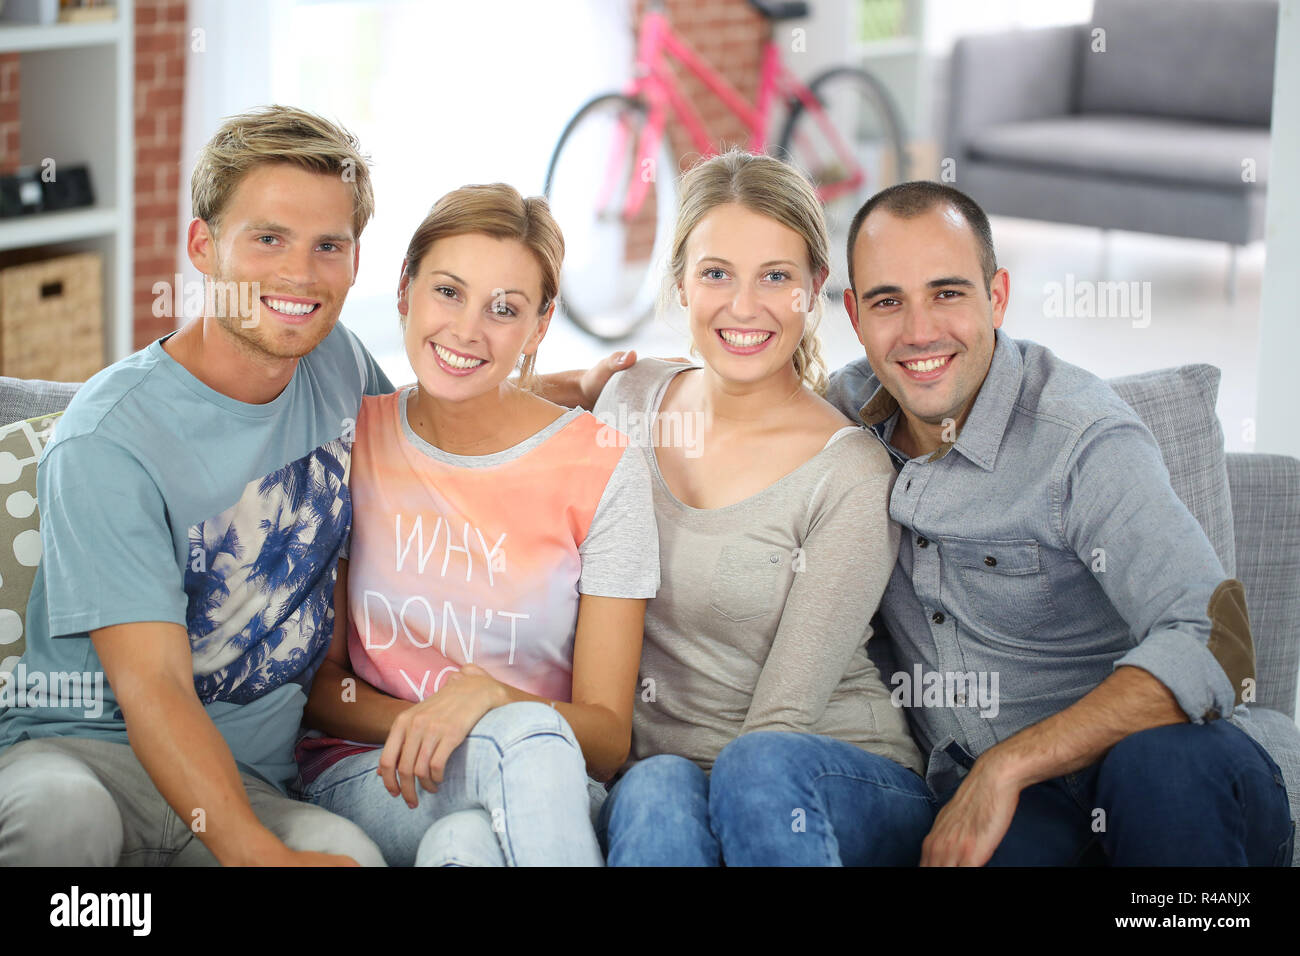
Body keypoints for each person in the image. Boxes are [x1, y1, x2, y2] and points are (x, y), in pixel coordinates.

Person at [824, 181, 1292, 866]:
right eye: (888, 300)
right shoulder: (841, 416)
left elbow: (1217, 639)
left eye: (948, 292)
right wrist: (610, 387)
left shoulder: (1079, 436)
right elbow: (732, 392)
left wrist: (1007, 766)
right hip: (1023, 808)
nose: (919, 330)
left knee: (1157, 770)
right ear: (856, 314)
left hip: (1170, 773)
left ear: (998, 296)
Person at [0, 106, 393, 866]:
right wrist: (255, 857)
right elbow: (154, 689)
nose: (299, 275)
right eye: (268, 238)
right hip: (86, 758)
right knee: (64, 817)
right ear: (202, 247)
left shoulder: (338, 362)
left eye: (328, 246)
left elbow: (430, 436)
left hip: (249, 777)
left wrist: (578, 388)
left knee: (352, 857)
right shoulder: (108, 437)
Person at [296, 183, 658, 867]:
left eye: (504, 309)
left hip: (545, 777)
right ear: (404, 290)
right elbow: (321, 685)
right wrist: (432, 721)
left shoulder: (604, 466)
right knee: (517, 740)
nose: (466, 331)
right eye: (448, 292)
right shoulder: (353, 438)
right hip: (369, 772)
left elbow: (608, 739)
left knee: (464, 842)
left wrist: (492, 702)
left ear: (540, 325)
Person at [591, 150, 934, 867]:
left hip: (830, 772)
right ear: (680, 282)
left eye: (775, 277)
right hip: (672, 774)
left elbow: (779, 727)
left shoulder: (849, 473)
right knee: (650, 789)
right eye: (717, 273)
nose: (744, 307)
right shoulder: (625, 404)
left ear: (813, 288)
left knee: (754, 770)